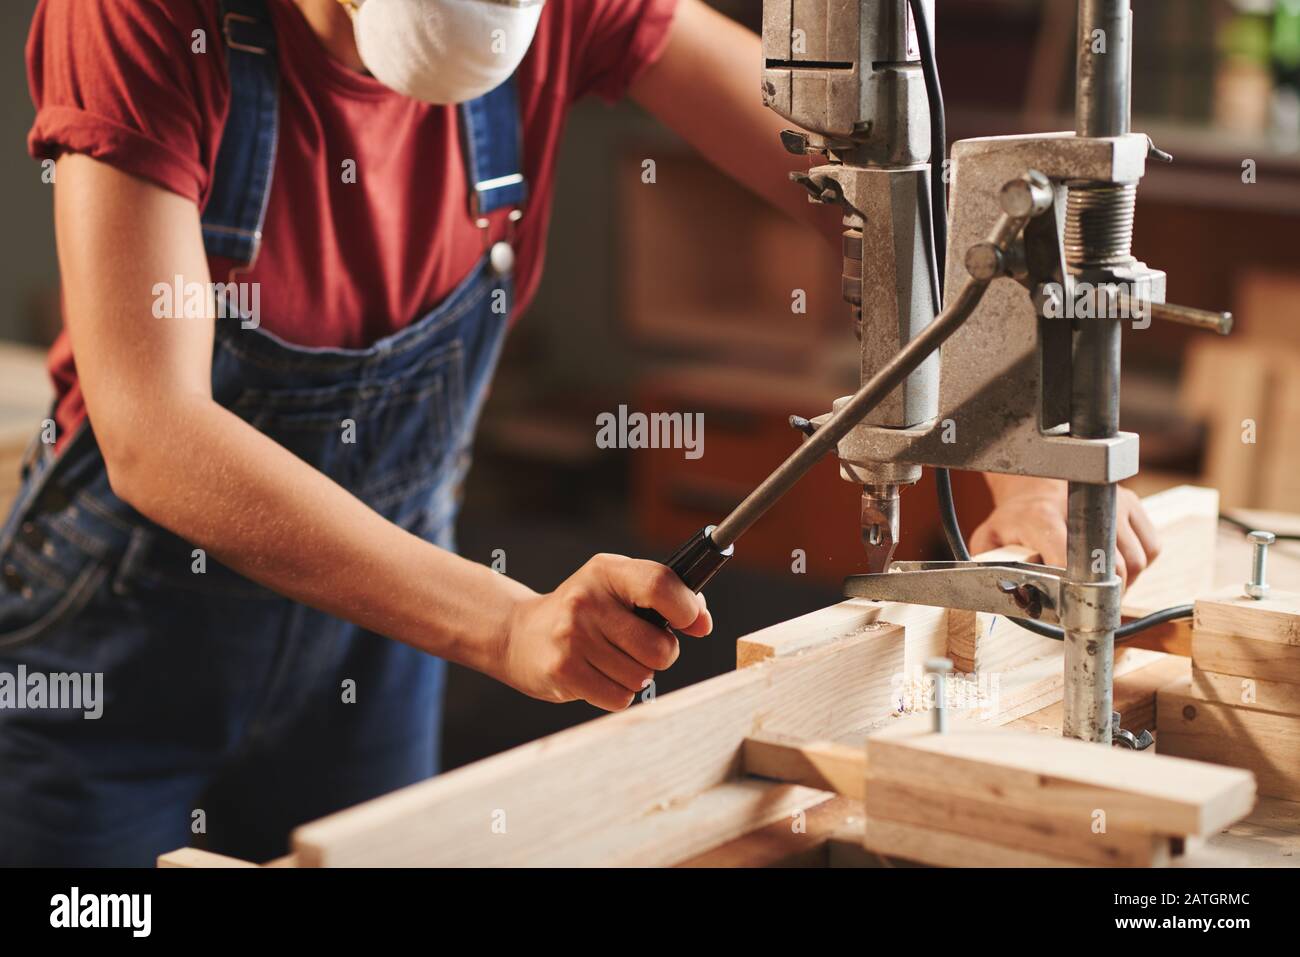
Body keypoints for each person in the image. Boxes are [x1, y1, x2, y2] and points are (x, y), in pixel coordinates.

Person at [0, 0, 1160, 866]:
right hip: (123, 655)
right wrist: (510, 622)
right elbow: (154, 430)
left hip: (378, 640)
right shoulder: (144, 20)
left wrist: (1027, 443)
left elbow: (879, 203)